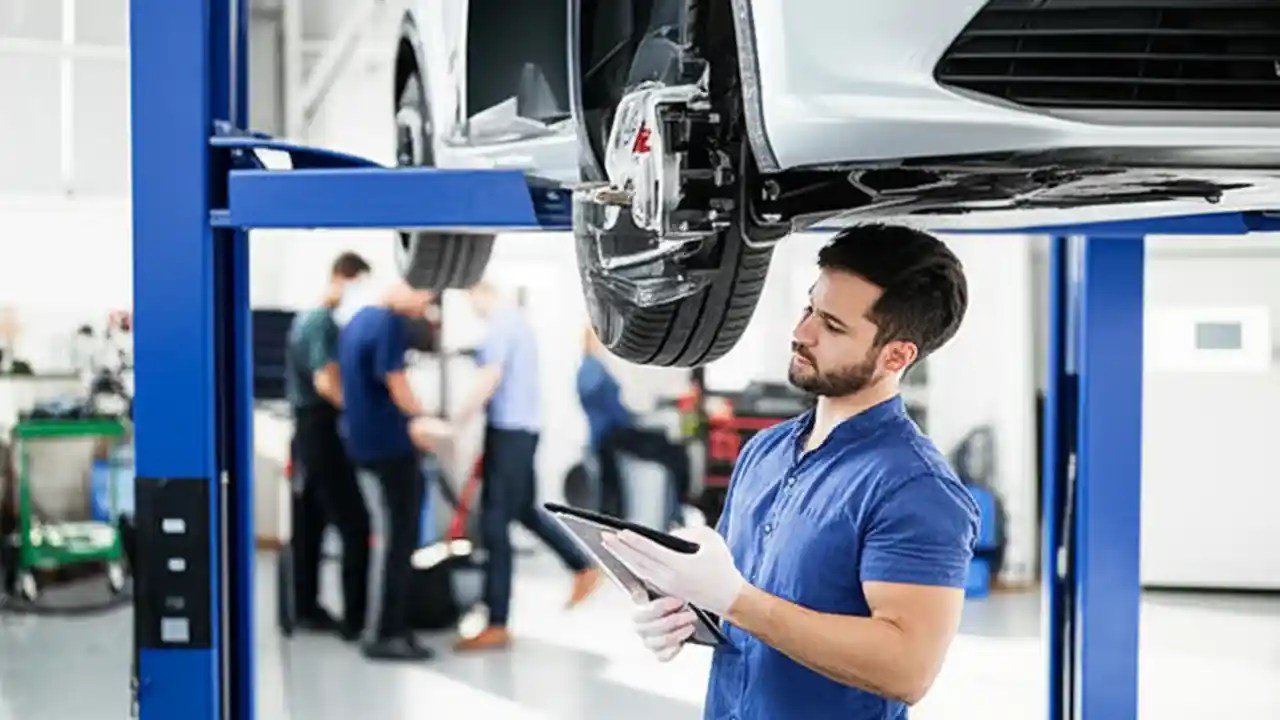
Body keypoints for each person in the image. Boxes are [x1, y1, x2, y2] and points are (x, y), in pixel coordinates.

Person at [602, 223, 980, 720]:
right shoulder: (766, 451)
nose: (802, 332)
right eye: (809, 308)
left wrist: (734, 601)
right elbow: (749, 601)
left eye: (833, 326)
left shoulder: (915, 488)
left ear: (897, 355)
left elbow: (907, 668)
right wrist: (688, 608)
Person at [452, 281, 603, 652]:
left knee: (494, 525)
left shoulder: (503, 323)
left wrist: (454, 423)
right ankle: (582, 565)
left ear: (478, 291)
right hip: (522, 433)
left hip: (509, 434)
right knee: (521, 511)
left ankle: (497, 622)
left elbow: (490, 377)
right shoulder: (516, 322)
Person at [338, 279, 450, 661]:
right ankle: (386, 632)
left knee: (388, 539)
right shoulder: (387, 322)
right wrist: (422, 418)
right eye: (425, 297)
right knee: (398, 543)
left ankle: (382, 626)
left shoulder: (357, 321)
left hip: (364, 445)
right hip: (391, 448)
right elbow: (396, 381)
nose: (424, 309)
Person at [283, 251, 372, 640]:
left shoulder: (310, 319)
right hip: (319, 430)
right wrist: (360, 411)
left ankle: (306, 609)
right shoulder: (320, 322)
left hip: (307, 432)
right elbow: (325, 382)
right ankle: (357, 619)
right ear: (344, 277)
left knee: (311, 524)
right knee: (355, 523)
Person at [577, 326, 691, 520]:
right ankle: (678, 512)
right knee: (673, 454)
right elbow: (612, 409)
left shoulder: (592, 369)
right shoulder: (594, 370)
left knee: (612, 492)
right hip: (611, 435)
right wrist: (632, 418)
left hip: (607, 436)